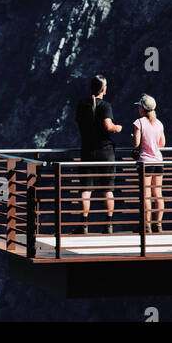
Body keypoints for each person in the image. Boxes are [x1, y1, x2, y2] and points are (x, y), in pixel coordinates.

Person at [75, 74, 123, 234]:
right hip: (105, 151)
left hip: (87, 150)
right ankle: (108, 224)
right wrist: (117, 128)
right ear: (104, 89)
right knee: (107, 189)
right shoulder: (105, 106)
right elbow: (108, 126)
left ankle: (83, 224)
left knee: (86, 189)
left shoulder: (82, 104)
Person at [133, 93, 165, 233]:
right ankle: (158, 224)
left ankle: (146, 225)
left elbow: (136, 143)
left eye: (139, 106)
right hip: (158, 161)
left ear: (142, 109)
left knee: (146, 194)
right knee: (157, 193)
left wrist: (134, 136)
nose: (138, 108)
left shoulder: (139, 122)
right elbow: (162, 144)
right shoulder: (159, 123)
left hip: (145, 161)